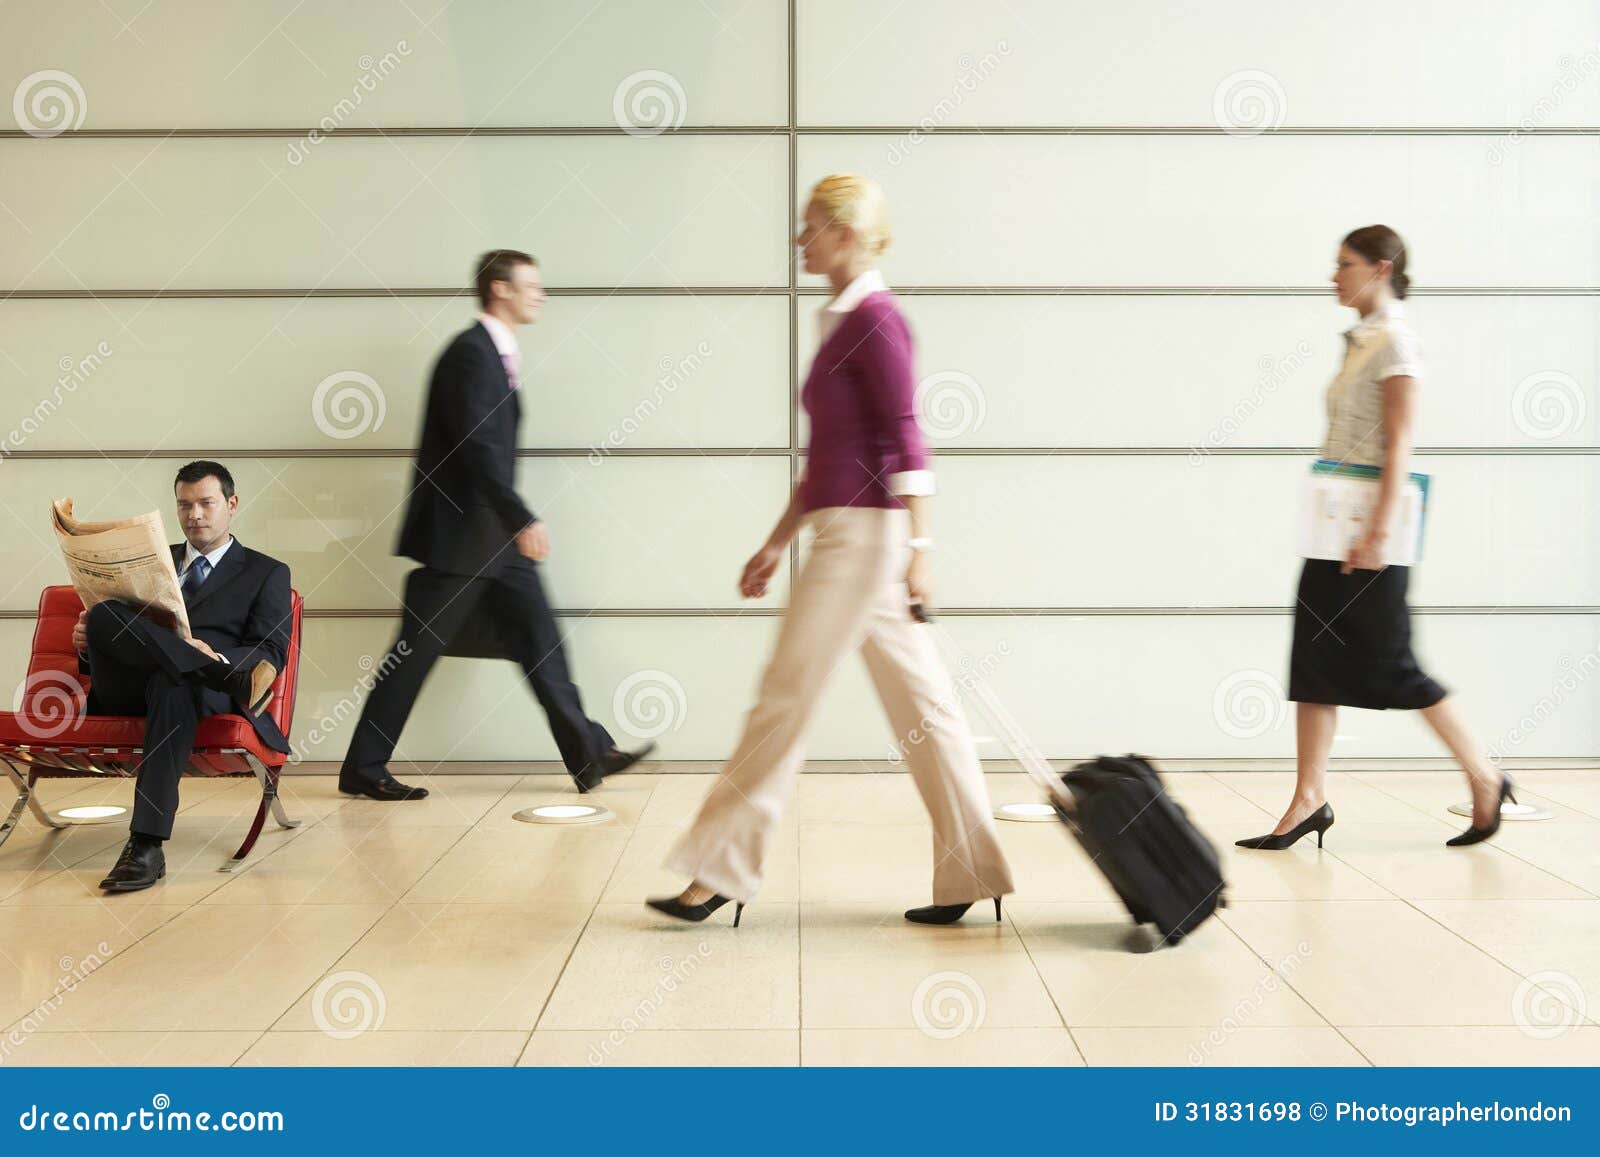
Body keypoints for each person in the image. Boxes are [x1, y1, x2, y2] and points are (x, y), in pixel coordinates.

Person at [649, 175, 1014, 927]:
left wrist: (922, 549)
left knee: (784, 697)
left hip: (864, 541)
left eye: (809, 227)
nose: (798, 239)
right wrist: (776, 540)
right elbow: (827, 458)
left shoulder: (876, 320)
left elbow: (909, 434)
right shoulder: (842, 319)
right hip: (848, 532)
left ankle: (718, 870)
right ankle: (975, 870)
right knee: (928, 708)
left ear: (846, 234)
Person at [1237, 225, 1513, 852]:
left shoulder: (1396, 344)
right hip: (1331, 530)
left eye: (1344, 264)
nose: (1332, 275)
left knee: (1395, 666)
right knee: (1312, 660)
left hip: (1371, 536)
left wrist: (1380, 532)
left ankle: (1485, 776)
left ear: (1381, 268)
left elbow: (1401, 441)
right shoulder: (1361, 341)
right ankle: (1309, 799)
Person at [338, 249, 652, 801]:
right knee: (413, 657)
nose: (542, 294)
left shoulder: (492, 354)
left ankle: (591, 751)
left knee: (542, 644)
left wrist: (510, 523)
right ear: (500, 289)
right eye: (532, 285)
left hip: (492, 539)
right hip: (463, 539)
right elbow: (476, 445)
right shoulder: (471, 355)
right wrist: (520, 515)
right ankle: (364, 767)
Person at [74, 460, 292, 892]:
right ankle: (206, 670)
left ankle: (146, 846)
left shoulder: (266, 572)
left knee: (174, 683)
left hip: (198, 693)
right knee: (102, 615)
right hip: (126, 687)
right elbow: (117, 636)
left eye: (206, 503)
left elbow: (270, 650)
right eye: (184, 505)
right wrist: (89, 644)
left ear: (231, 504)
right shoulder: (152, 561)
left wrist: (216, 655)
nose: (195, 515)